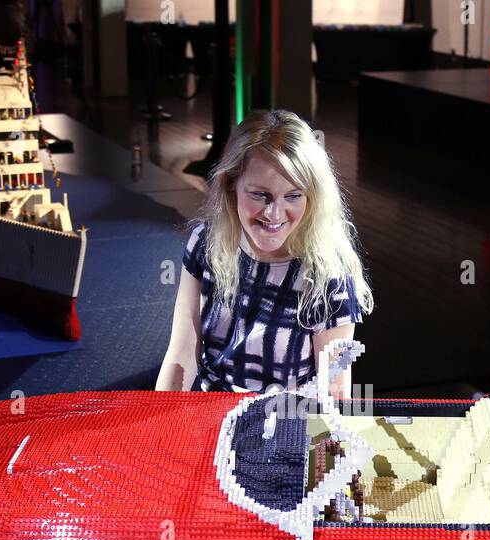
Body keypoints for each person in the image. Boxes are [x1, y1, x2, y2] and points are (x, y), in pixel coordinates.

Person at [156, 109, 374, 398]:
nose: (274, 214)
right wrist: (162, 426)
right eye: (260, 194)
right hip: (210, 412)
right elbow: (181, 352)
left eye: (293, 196)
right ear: (231, 185)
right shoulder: (205, 242)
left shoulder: (328, 272)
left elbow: (334, 390)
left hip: (288, 422)